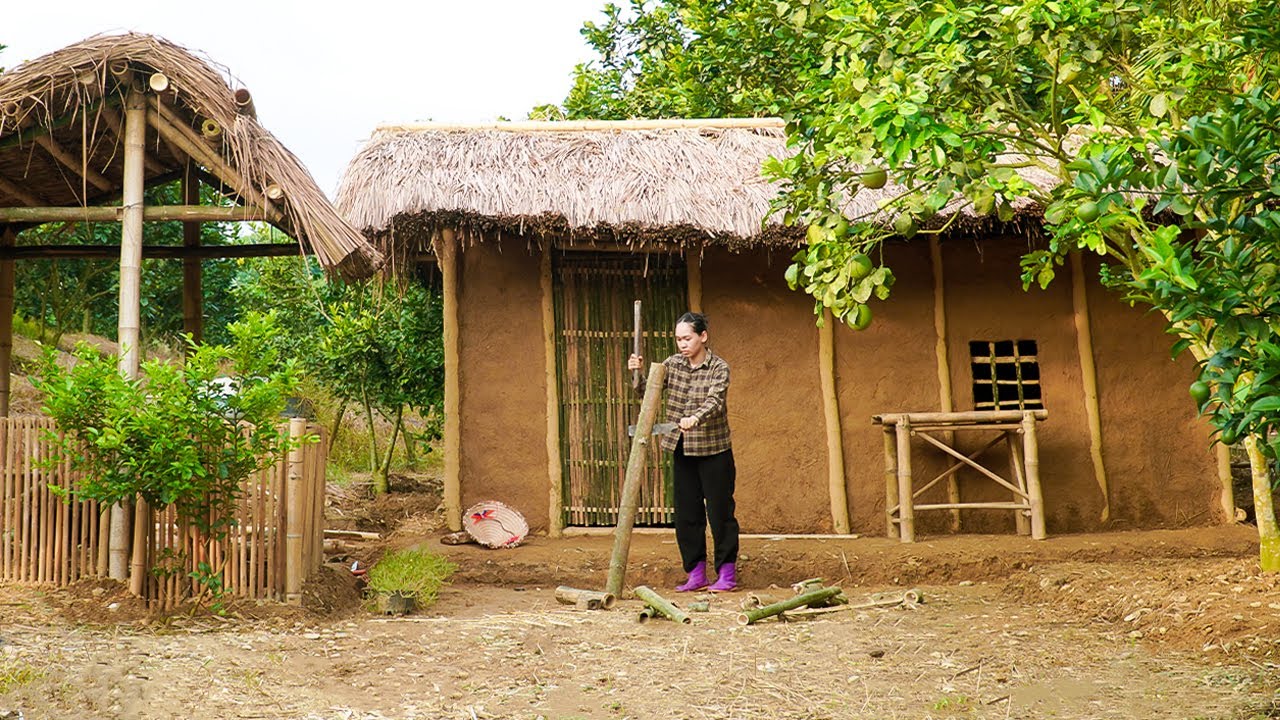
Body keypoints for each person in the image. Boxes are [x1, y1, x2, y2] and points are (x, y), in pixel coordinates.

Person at [628, 311, 739, 592]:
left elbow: (715, 401)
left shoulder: (718, 368)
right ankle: (696, 573)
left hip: (713, 450)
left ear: (703, 336)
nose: (682, 344)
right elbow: (646, 392)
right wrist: (638, 374)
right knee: (687, 514)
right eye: (678, 339)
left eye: (687, 338)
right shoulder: (672, 364)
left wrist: (695, 418)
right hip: (681, 449)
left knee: (720, 513)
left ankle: (726, 574)